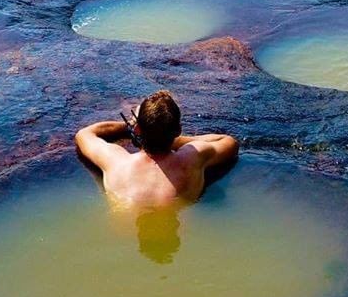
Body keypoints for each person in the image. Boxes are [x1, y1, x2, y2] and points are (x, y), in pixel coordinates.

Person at [74, 89, 239, 210]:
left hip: (123, 232)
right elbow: (229, 142)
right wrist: (178, 140)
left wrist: (130, 127)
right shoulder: (194, 156)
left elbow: (84, 134)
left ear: (138, 129)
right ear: (178, 130)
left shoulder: (116, 162)